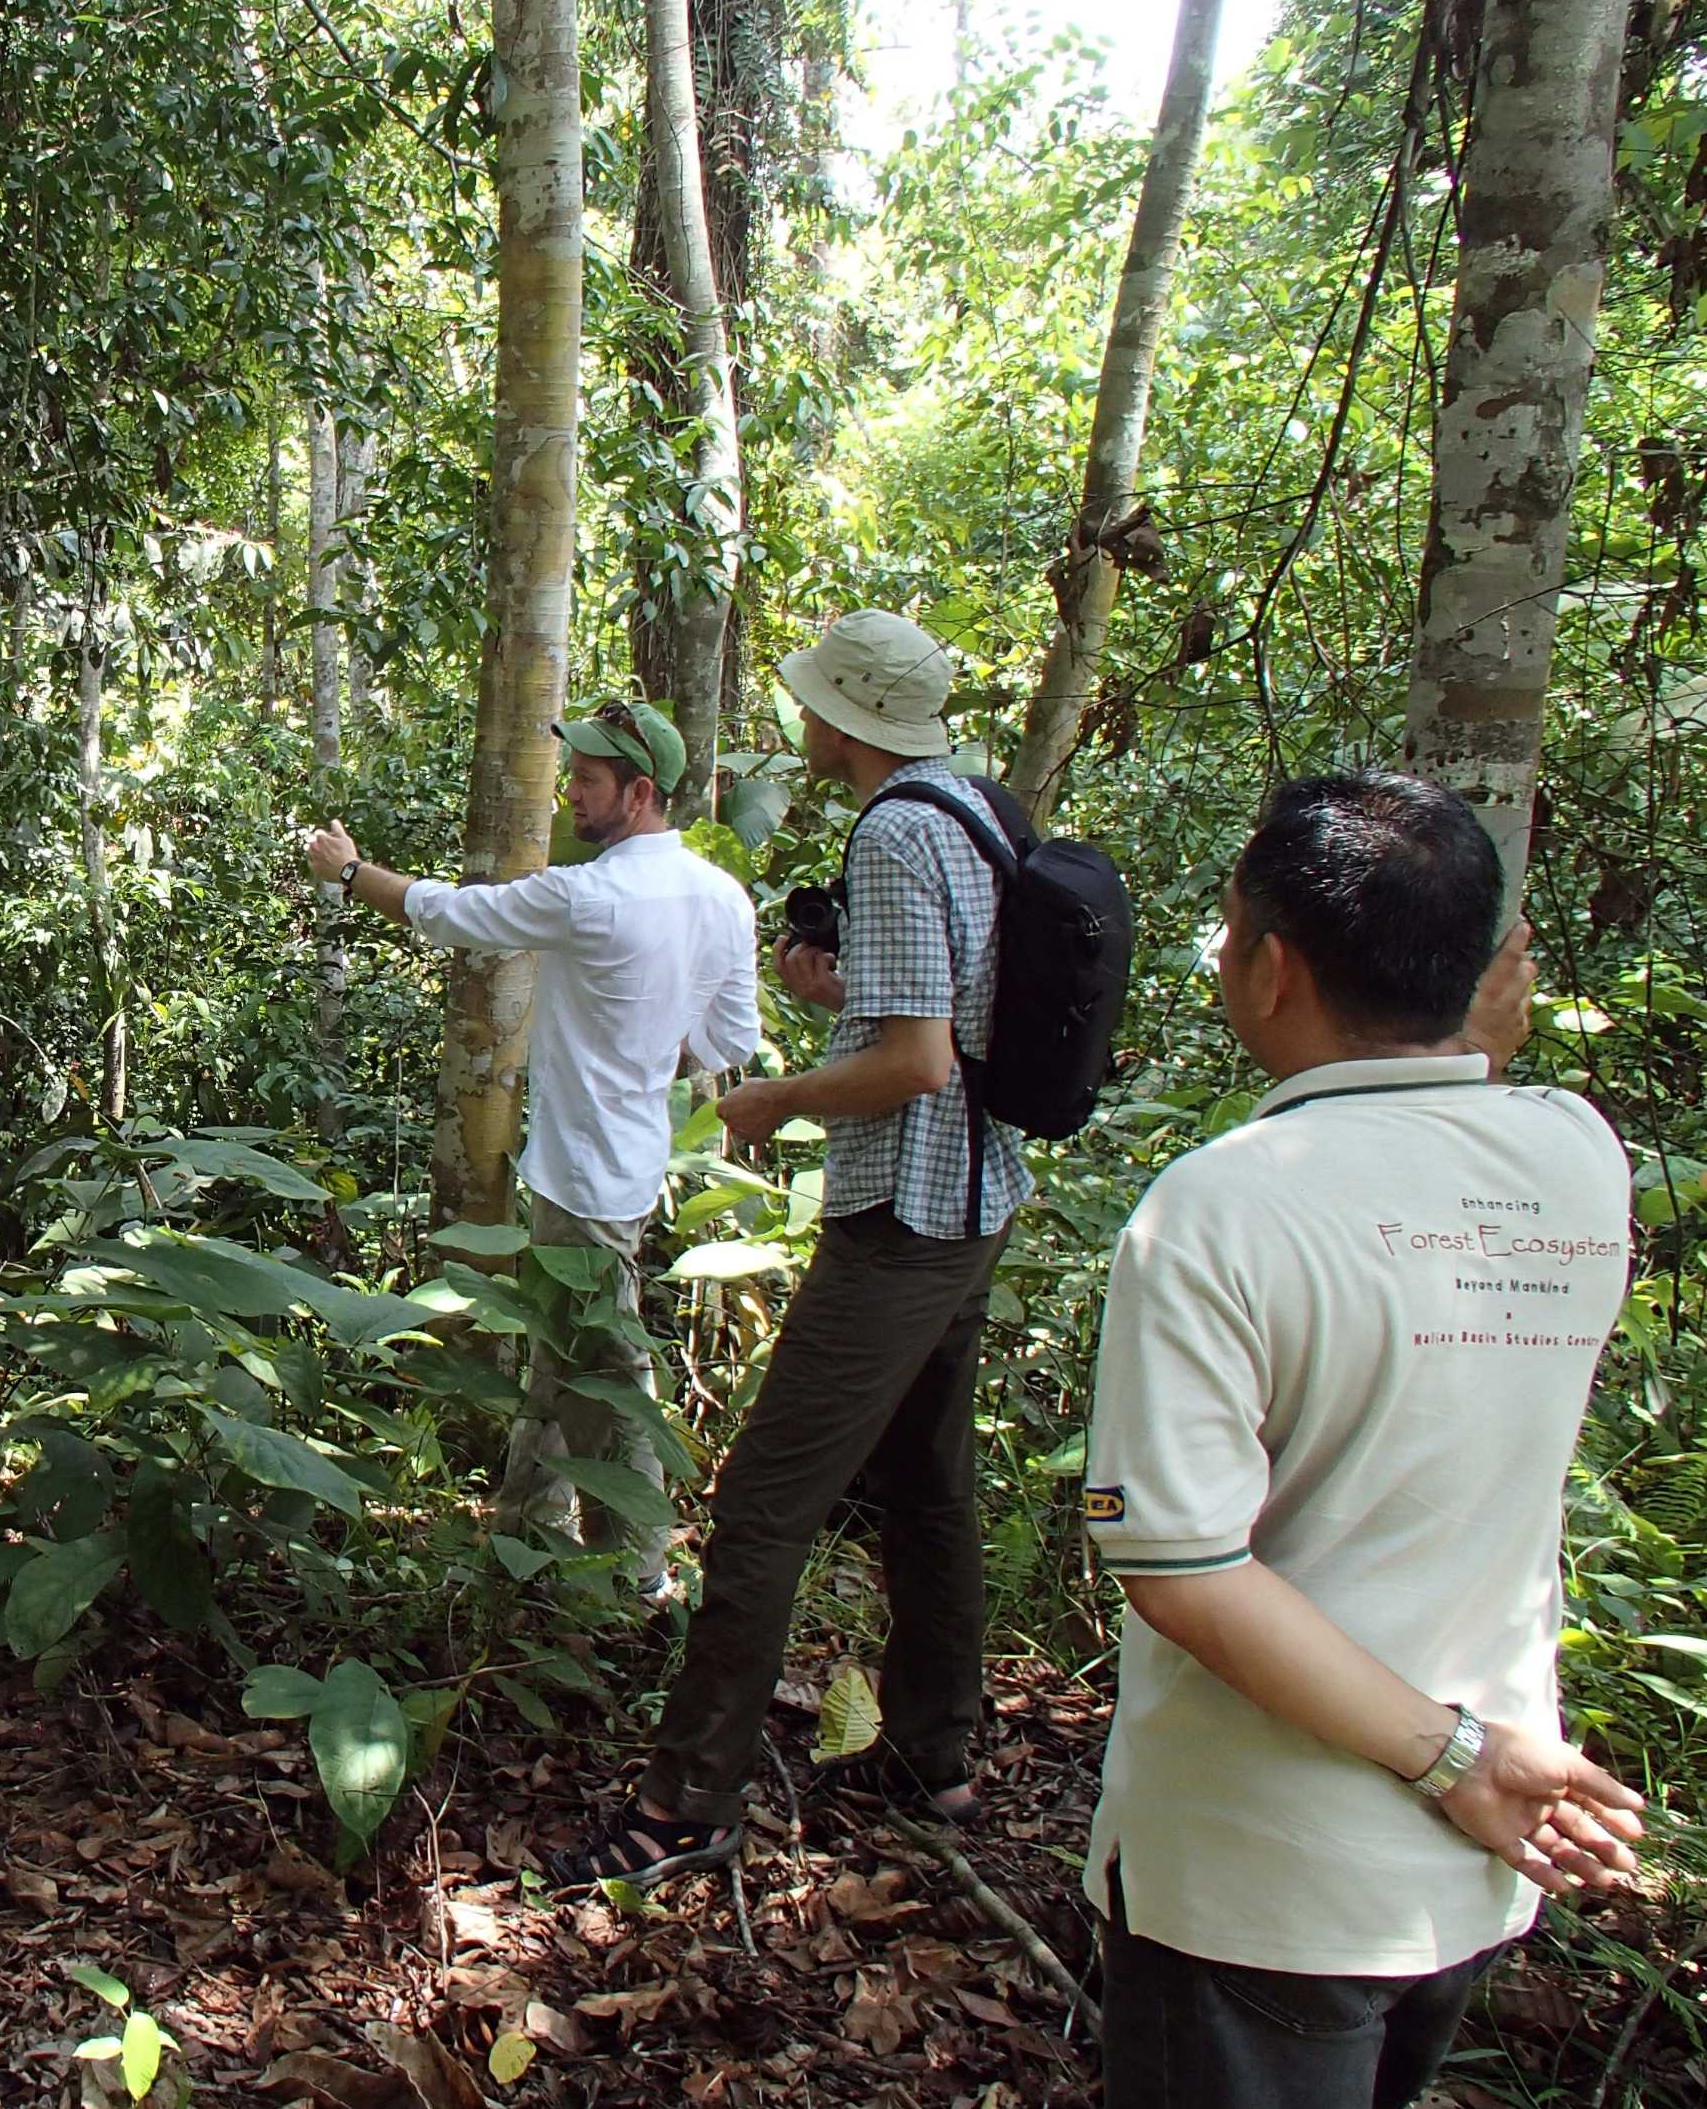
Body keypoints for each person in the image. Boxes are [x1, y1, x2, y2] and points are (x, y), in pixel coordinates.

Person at [1081, 771, 1642, 2107]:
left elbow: (1183, 1569)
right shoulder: (1578, 1156)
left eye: (1231, 932)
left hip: (1258, 1874)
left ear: (1273, 968)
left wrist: (1452, 1759)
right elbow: (1434, 1158)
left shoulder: (1218, 1210)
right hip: (1469, 1868)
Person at [541, 608, 1026, 1890]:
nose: (800, 718)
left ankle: (683, 1804)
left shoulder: (904, 828)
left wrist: (771, 1100)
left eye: (813, 699)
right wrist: (834, 998)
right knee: (927, 1487)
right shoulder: (973, 809)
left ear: (849, 716)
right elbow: (942, 1019)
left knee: (759, 1512)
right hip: (977, 1201)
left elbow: (915, 1064)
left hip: (905, 1214)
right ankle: (938, 1753)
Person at [302, 698, 761, 1598]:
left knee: (604, 1375)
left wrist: (348, 869)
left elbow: (452, 914)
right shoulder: (721, 895)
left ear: (639, 794)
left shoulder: (592, 895)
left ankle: (636, 1576)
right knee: (564, 1358)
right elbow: (727, 1039)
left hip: (582, 1176)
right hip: (622, 1165)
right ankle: (524, 1540)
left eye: (588, 783)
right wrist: (634, 1059)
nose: (573, 799)